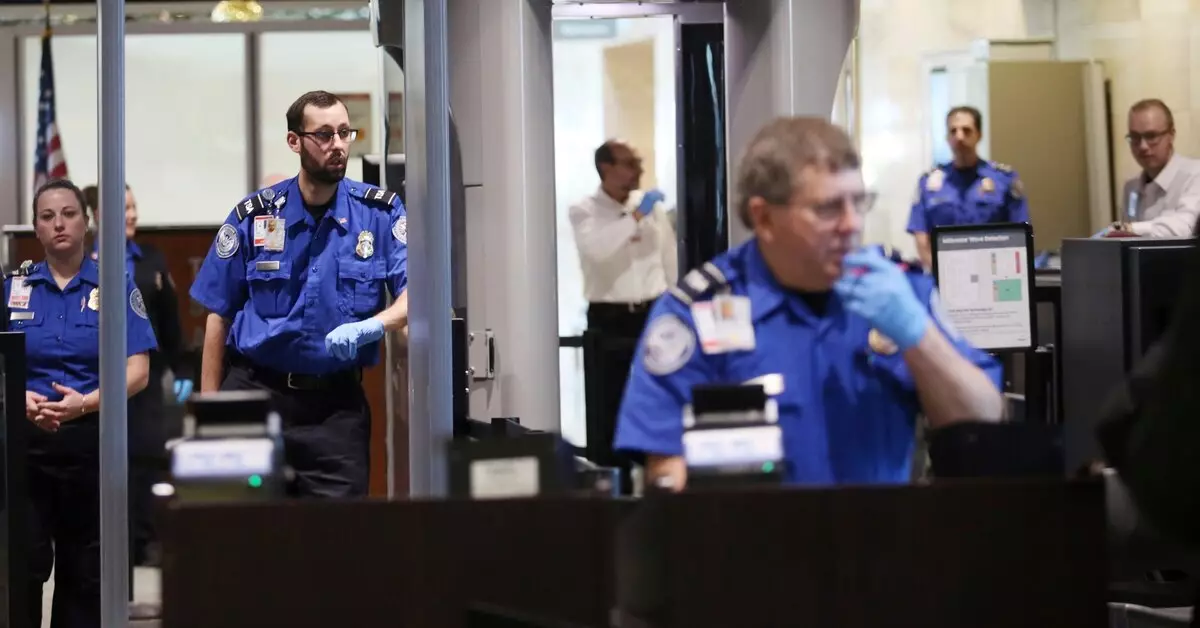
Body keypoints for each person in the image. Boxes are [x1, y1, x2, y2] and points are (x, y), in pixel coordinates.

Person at [613, 117, 1004, 490]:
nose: (851, 224)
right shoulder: (696, 313)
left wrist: (918, 333)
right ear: (763, 218)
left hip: (881, 545)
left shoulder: (898, 291)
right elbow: (665, 466)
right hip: (748, 550)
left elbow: (983, 422)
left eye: (859, 202)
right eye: (828, 208)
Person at [189, 90, 409, 498]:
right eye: (324, 135)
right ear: (295, 142)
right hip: (255, 397)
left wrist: (372, 326)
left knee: (334, 544)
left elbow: (415, 297)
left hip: (334, 408)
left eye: (345, 133)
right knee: (238, 536)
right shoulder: (255, 216)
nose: (338, 145)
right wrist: (210, 413)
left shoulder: (379, 214)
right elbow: (218, 313)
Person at [10, 179, 157, 628]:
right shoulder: (13, 287)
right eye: (48, 216)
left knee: (84, 577)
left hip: (89, 447)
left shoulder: (115, 285)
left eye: (68, 213)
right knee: (19, 572)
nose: (59, 224)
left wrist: (86, 403)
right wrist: (17, 398)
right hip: (24, 450)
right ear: (35, 228)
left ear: (87, 220)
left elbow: (138, 370)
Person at [82, 182, 190, 568]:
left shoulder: (150, 261)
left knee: (144, 456)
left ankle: (144, 540)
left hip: (146, 375)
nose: (132, 214)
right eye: (124, 208)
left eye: (133, 207)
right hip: (93, 379)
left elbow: (170, 323)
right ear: (97, 215)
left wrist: (181, 370)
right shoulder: (84, 262)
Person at [568, 140, 678, 479]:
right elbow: (599, 249)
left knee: (656, 395)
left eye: (639, 163)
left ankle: (657, 473)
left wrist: (675, 304)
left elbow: (668, 258)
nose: (638, 172)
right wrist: (636, 216)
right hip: (609, 317)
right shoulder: (584, 210)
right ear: (606, 168)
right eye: (629, 164)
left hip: (652, 312)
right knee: (608, 402)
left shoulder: (650, 209)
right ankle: (611, 480)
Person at [907, 106, 1029, 267]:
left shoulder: (1004, 179)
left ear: (979, 135)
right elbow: (921, 237)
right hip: (945, 276)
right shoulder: (929, 184)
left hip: (994, 274)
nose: (959, 136)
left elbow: (1020, 236)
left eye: (966, 130)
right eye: (953, 131)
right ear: (947, 137)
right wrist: (938, 276)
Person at [1103, 99, 1200, 238]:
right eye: (1135, 137)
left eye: (1151, 136)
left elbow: (1185, 227)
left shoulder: (1195, 175)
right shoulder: (1131, 187)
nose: (1143, 146)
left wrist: (1126, 228)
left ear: (1171, 135)